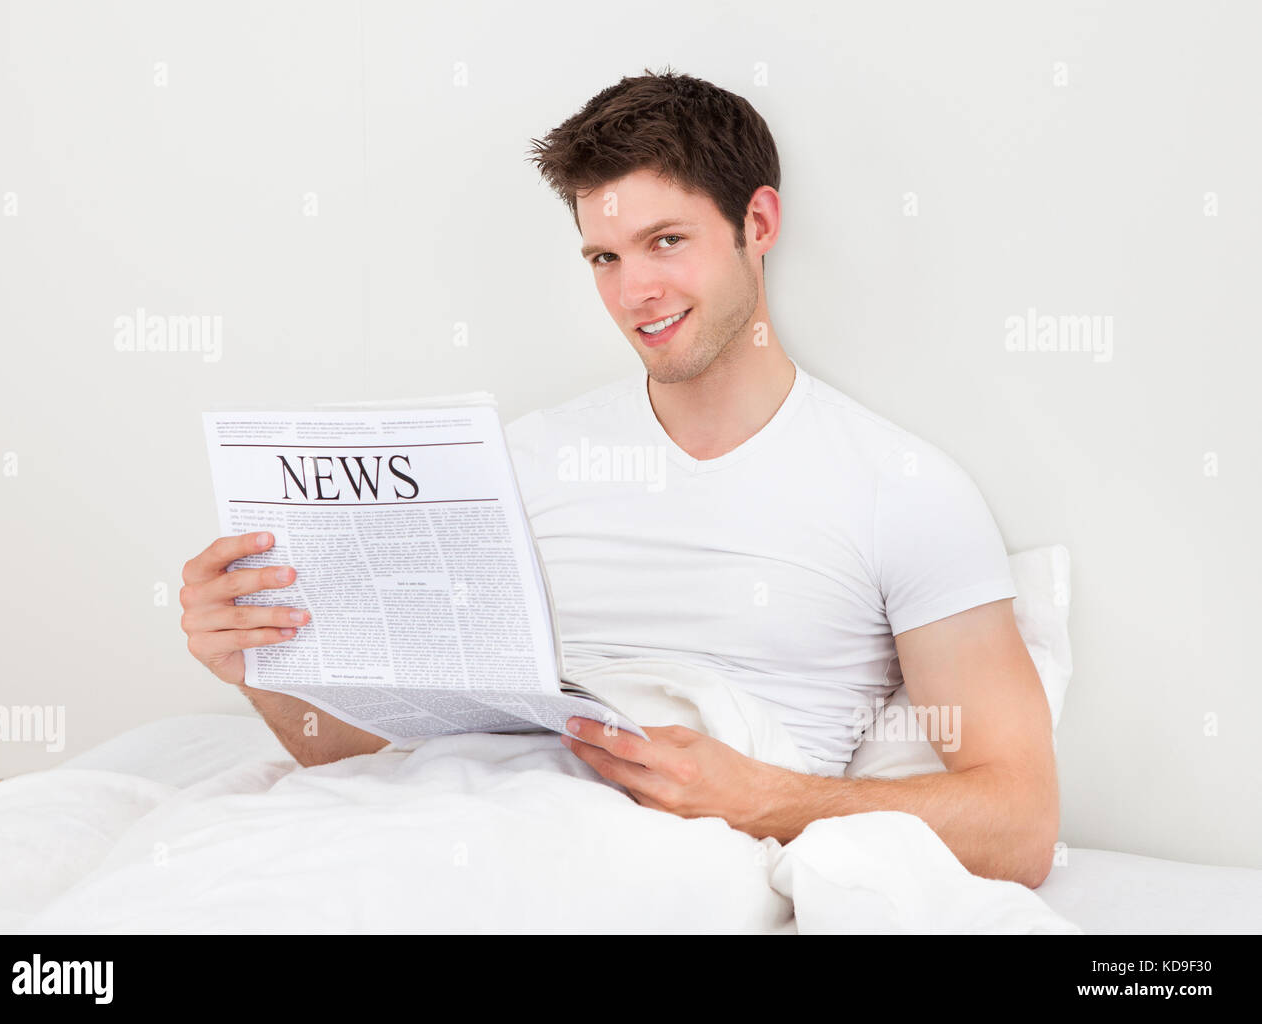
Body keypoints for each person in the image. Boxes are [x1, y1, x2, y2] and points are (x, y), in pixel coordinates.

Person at [180, 69, 1058, 888]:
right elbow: (386, 762)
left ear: (758, 224)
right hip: (454, 824)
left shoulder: (900, 489)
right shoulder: (514, 466)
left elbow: (1019, 824)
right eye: (604, 258)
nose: (635, 291)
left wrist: (767, 800)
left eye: (665, 242)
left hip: (660, 860)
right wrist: (261, 667)